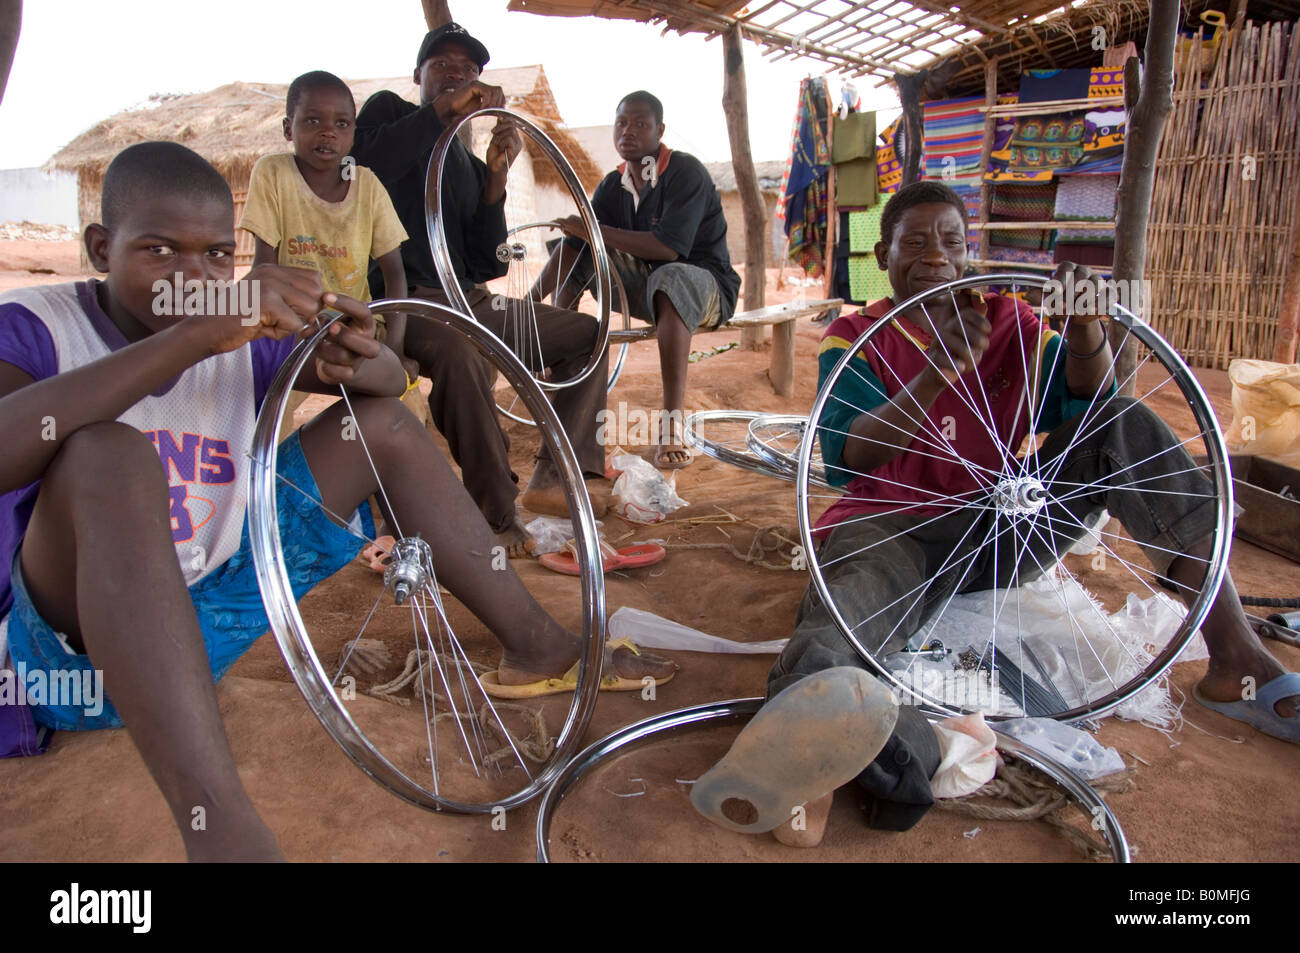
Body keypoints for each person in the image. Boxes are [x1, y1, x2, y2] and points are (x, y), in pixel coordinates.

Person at [0, 141, 674, 861]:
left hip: (210, 622)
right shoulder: (37, 328)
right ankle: (223, 832)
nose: (194, 279)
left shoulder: (245, 336)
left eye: (216, 257)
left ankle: (539, 646)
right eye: (161, 251)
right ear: (101, 247)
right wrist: (194, 337)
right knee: (107, 455)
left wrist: (367, 351)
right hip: (73, 655)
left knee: (377, 423)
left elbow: (387, 391)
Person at [691, 180, 1299, 847]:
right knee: (828, 644)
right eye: (914, 241)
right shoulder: (860, 335)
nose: (934, 255)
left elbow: (1091, 406)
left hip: (1003, 524)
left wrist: (1086, 324)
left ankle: (1236, 658)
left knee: (1124, 424)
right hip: (891, 529)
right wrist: (938, 371)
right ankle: (899, 751)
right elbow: (846, 455)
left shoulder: (1009, 321)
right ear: (884, 256)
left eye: (950, 240)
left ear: (969, 250)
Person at [349, 22, 611, 557]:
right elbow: (366, 162)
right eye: (442, 66)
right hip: (405, 302)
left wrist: (493, 182)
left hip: (470, 300)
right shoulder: (387, 115)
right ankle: (496, 512)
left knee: (589, 334)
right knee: (462, 355)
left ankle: (555, 479)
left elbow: (483, 261)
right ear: (416, 75)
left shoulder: (467, 163)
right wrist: (445, 111)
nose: (456, 75)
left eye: (468, 70)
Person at [539, 90, 742, 470]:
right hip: (647, 288)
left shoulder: (685, 172)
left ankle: (671, 426)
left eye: (640, 124)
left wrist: (592, 230)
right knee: (576, 246)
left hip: (706, 287)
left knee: (669, 275)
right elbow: (579, 240)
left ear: (660, 130)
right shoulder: (611, 185)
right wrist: (535, 297)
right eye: (621, 123)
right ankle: (549, 366)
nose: (628, 131)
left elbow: (666, 248)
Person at [239, 70, 410, 368]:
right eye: (313, 120)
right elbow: (263, 266)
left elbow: (394, 272)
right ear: (288, 128)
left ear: (353, 132)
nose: (328, 132)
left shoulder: (367, 185)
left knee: (392, 398)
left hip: (357, 324)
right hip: (289, 325)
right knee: (270, 394)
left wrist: (395, 348)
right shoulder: (272, 174)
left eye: (341, 123)